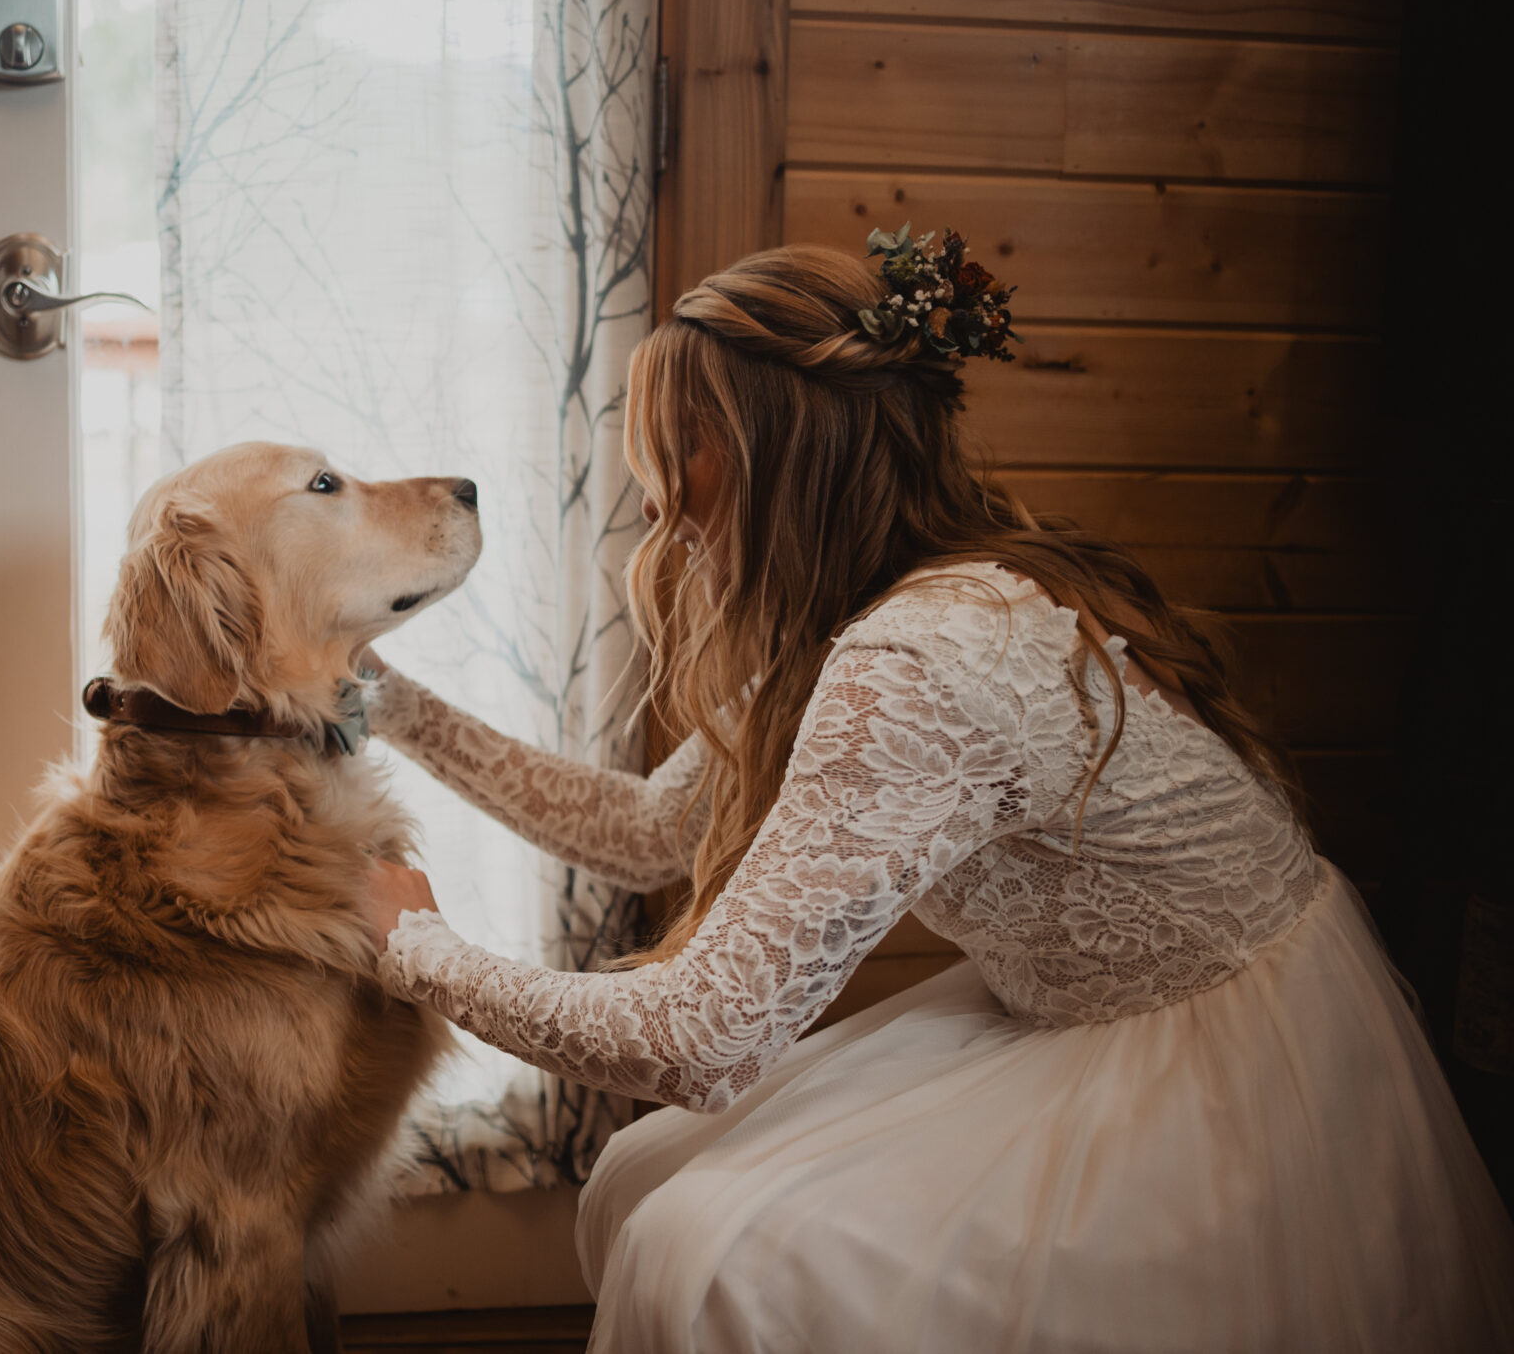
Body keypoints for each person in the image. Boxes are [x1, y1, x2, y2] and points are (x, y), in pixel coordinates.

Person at [357, 239, 1514, 1352]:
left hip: (1216, 1073)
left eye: (678, 447)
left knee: (712, 1255)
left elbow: (698, 1042)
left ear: (774, 453)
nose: (654, 500)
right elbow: (647, 833)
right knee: (651, 1179)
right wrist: (374, 694)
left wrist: (418, 946)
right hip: (1079, 1007)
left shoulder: (923, 661)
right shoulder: (883, 595)